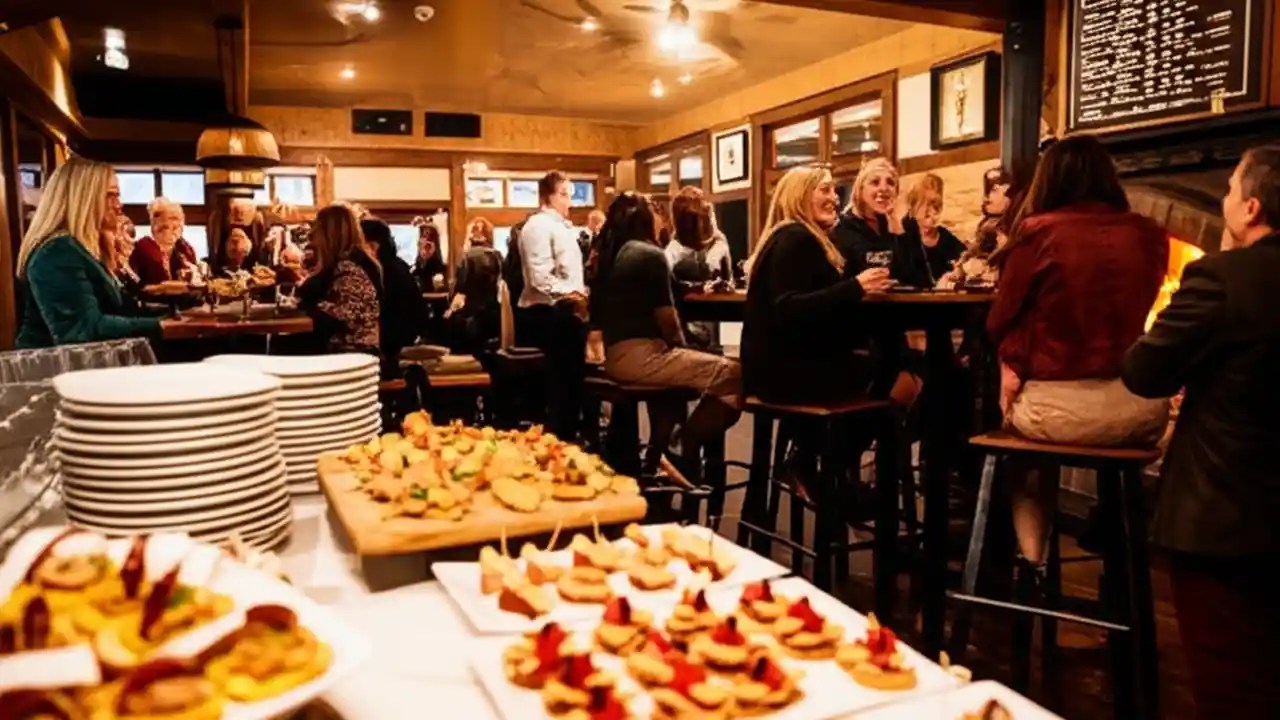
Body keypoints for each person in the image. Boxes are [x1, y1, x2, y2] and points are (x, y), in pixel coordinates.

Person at [1121, 146, 1280, 718]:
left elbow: (1144, 372)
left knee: (1232, 686)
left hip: (1224, 515)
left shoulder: (1221, 276)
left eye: (1231, 190)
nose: (1225, 199)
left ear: (1252, 208)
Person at [987, 134, 1169, 569]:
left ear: (1050, 179)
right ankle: (1120, 568)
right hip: (1140, 411)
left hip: (1060, 413)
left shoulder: (1037, 232)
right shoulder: (1150, 233)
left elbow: (997, 322)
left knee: (1022, 451)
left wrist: (1010, 360)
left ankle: (1032, 570)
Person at [591, 191, 741, 476]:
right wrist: (684, 351)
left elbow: (666, 287)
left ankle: (656, 461)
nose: (662, 215)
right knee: (735, 375)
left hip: (615, 355)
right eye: (656, 209)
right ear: (646, 218)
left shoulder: (616, 252)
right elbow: (668, 321)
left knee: (671, 392)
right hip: (641, 357)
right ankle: (686, 445)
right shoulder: (650, 254)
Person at [741, 165, 899, 404]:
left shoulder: (786, 235)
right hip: (789, 376)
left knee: (885, 358)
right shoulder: (797, 238)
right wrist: (856, 286)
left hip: (773, 372)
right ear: (800, 195)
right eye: (825, 190)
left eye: (834, 191)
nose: (835, 198)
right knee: (898, 364)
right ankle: (848, 440)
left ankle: (822, 439)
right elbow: (788, 307)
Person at [15, 157, 176, 348]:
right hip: (52, 373)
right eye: (112, 195)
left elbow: (127, 310)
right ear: (83, 198)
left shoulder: (82, 249)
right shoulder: (57, 250)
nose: (119, 205)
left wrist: (176, 314)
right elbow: (82, 331)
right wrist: (162, 325)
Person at [518, 170, 588, 440]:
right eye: (563, 194)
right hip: (543, 312)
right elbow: (539, 278)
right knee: (565, 379)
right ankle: (563, 433)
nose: (569, 201)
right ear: (548, 196)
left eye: (570, 195)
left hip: (564, 309)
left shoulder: (564, 227)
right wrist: (574, 295)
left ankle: (582, 427)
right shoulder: (537, 226)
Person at [831, 157, 930, 288]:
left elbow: (923, 281)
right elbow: (838, 284)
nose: (884, 188)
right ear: (860, 190)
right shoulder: (842, 228)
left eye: (890, 182)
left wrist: (898, 228)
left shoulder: (907, 225)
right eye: (875, 182)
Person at [298, 204, 382, 357]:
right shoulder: (346, 264)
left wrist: (306, 304)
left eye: (317, 226)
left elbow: (341, 317)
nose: (312, 232)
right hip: (347, 352)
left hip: (354, 356)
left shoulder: (349, 269)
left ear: (329, 233)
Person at [360, 218, 425, 377]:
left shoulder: (378, 272)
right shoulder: (399, 265)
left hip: (388, 351)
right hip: (403, 342)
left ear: (373, 246)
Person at [449, 218, 503, 354]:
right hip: (494, 311)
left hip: (471, 313)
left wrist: (450, 310)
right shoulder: (498, 256)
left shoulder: (467, 257)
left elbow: (461, 290)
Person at [904, 174, 965, 286]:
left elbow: (964, 258)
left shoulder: (945, 237)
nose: (932, 212)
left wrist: (959, 271)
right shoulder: (903, 237)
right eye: (926, 205)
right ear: (913, 207)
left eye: (936, 206)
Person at [129, 197, 196, 285]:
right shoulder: (143, 248)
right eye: (164, 227)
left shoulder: (185, 249)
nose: (171, 229)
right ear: (153, 225)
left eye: (177, 225)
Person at [412, 220, 448, 291]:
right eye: (423, 235)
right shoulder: (418, 261)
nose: (425, 239)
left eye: (428, 235)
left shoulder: (437, 264)